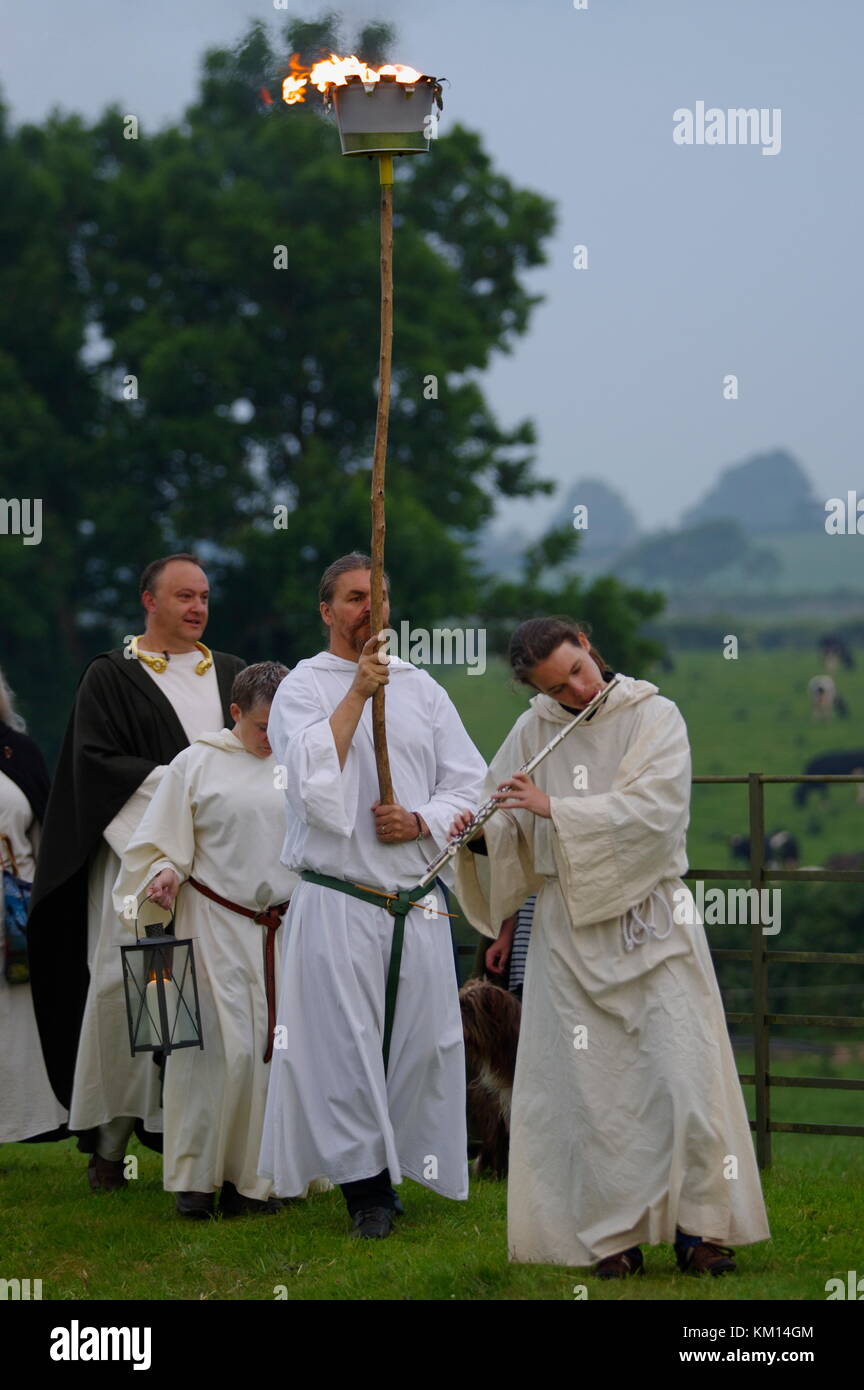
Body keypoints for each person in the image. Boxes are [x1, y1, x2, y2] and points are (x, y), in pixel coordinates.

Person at [451, 617, 770, 1277]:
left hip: (654, 923)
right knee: (593, 1092)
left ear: (587, 644)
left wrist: (556, 811)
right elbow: (506, 818)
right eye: (556, 687)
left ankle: (698, 1231)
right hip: (569, 932)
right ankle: (611, 1238)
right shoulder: (535, 729)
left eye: (577, 668)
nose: (576, 688)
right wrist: (480, 836)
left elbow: (655, 816)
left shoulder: (655, 716)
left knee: (682, 1079)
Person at [258, 552, 487, 1238]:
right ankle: (366, 1194)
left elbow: (470, 786)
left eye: (378, 597)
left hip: (413, 903)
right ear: (327, 611)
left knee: (426, 1046)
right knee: (343, 1049)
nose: (369, 610)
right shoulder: (304, 688)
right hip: (339, 899)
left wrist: (419, 820)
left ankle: (399, 1167)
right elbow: (308, 784)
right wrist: (356, 694)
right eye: (355, 598)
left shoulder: (423, 690)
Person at [27, 554, 244, 1191]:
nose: (197, 607)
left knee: (209, 999)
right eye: (182, 596)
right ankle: (110, 1144)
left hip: (220, 873)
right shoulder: (111, 677)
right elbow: (94, 766)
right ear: (148, 601)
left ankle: (204, 1145)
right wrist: (189, 790)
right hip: (137, 866)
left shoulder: (230, 673)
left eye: (203, 596)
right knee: (134, 994)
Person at [115, 662, 315, 1219]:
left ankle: (253, 1184)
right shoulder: (195, 763)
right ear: (234, 713)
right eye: (261, 727)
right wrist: (165, 871)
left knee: (275, 1053)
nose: (270, 739)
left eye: (282, 727)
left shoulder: (300, 762)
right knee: (219, 1053)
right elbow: (160, 840)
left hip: (283, 929)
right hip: (213, 922)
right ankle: (196, 1181)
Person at [0, 666, 67, 1143]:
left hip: (14, 908)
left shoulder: (17, 752)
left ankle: (18, 1123)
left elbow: (45, 833)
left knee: (16, 1020)